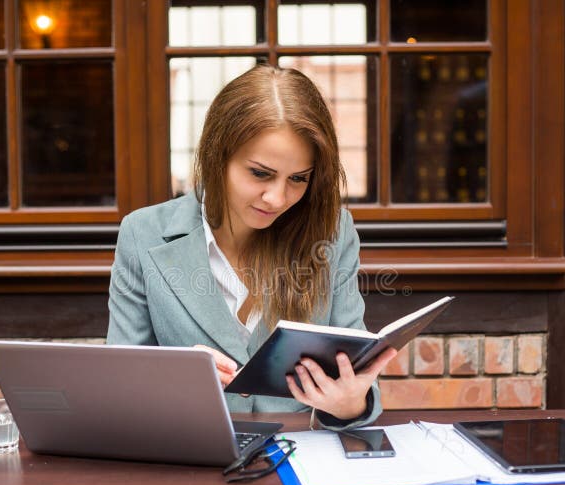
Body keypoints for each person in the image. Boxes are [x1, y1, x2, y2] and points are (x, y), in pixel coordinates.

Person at [107, 64, 396, 429]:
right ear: (217, 157)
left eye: (298, 179)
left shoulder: (333, 231)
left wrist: (350, 404)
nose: (277, 198)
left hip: (300, 461)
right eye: (260, 173)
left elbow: (356, 375)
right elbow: (119, 386)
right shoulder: (142, 233)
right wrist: (175, 378)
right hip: (188, 459)